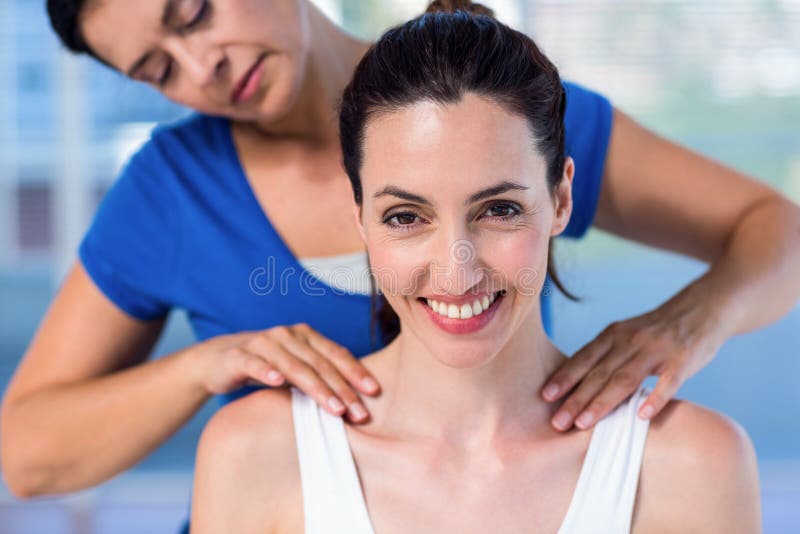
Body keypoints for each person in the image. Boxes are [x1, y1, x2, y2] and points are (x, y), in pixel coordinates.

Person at [1, 0, 797, 509]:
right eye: (157, 69)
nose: (202, 66)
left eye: (195, 13)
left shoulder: (501, 106)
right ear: (361, 210)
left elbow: (776, 228)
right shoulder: (169, 193)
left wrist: (688, 323)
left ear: (557, 195)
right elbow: (26, 457)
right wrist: (209, 365)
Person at [191, 6, 761, 532]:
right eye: (406, 217)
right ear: (359, 216)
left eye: (499, 210)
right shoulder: (256, 453)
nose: (455, 272)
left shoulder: (691, 465)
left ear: (562, 198)